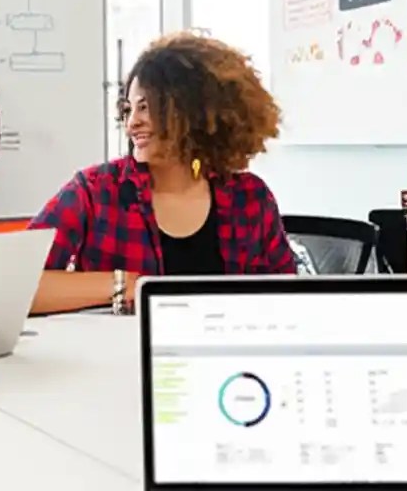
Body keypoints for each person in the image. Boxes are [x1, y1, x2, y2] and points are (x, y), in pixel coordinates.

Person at [28, 31, 295, 315]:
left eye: (146, 107)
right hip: (120, 355)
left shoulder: (249, 197)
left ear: (193, 111)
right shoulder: (95, 191)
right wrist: (124, 285)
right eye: (128, 109)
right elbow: (16, 289)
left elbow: (292, 298)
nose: (132, 123)